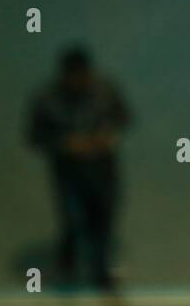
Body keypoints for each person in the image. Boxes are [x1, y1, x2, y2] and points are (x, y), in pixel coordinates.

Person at [28, 47, 130, 290]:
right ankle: (68, 262)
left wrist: (107, 136)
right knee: (73, 220)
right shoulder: (48, 98)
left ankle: (100, 271)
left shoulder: (105, 91)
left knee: (102, 220)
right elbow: (34, 135)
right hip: (69, 173)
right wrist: (66, 144)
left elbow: (124, 117)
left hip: (103, 170)